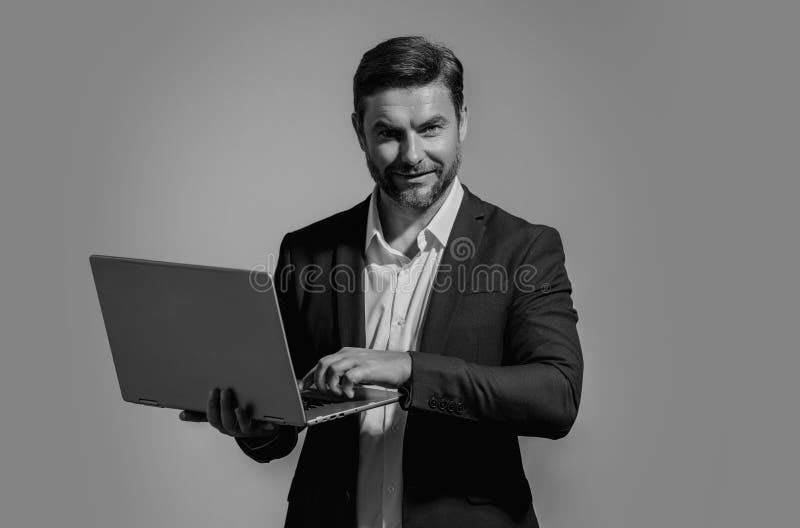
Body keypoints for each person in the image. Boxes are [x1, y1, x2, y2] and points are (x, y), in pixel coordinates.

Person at [180, 35, 582, 528]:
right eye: (389, 133)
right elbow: (283, 422)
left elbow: (556, 396)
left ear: (463, 122)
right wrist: (257, 426)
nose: (413, 155)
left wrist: (409, 369)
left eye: (431, 128)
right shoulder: (305, 251)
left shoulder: (523, 248)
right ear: (359, 132)